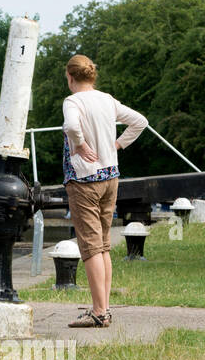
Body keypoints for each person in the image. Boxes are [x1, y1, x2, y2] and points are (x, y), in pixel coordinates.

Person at [61, 54, 147, 328]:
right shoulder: (107, 100)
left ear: (71, 77)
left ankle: (99, 311)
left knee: (90, 247)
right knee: (104, 245)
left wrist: (81, 144)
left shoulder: (73, 101)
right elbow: (140, 122)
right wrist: (118, 145)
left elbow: (72, 126)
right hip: (110, 176)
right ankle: (103, 307)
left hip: (84, 180)